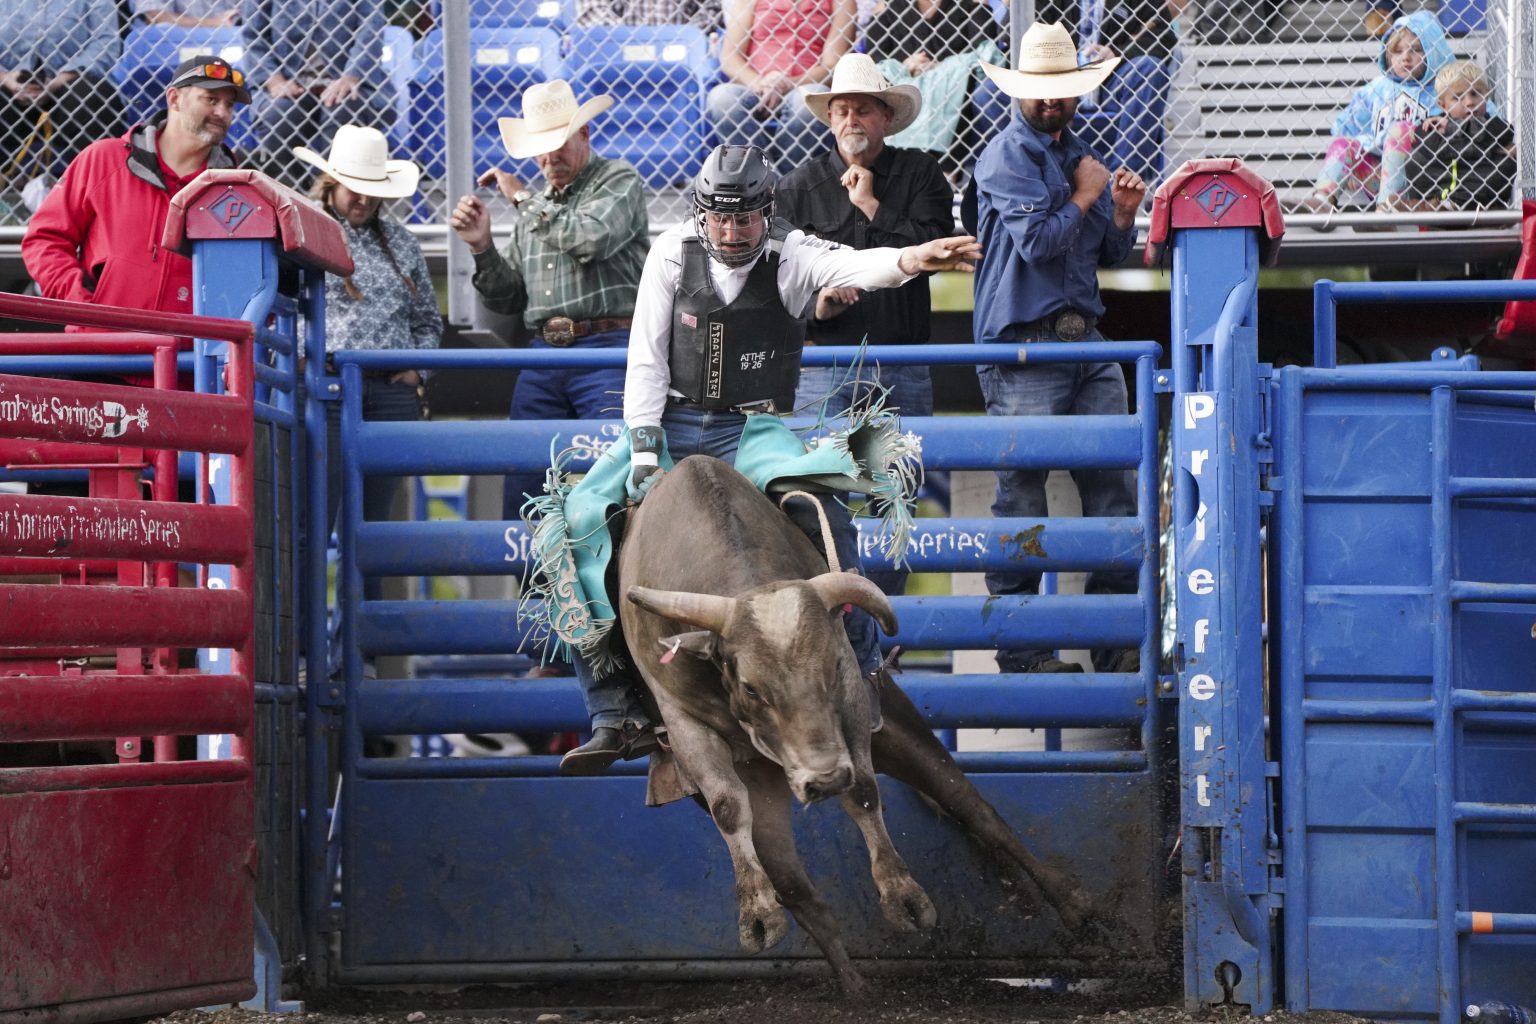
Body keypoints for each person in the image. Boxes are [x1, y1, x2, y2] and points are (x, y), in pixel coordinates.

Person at [551, 143, 979, 774]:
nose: (731, 231)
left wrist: (912, 258)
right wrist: (643, 448)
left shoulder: (793, 252)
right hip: (668, 420)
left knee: (824, 511)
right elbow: (645, 357)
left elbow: (857, 264)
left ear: (765, 212)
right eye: (720, 218)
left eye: (744, 218)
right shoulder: (669, 252)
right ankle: (611, 710)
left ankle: (860, 669)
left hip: (750, 426)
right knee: (576, 522)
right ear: (702, 213)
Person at [969, 22, 1147, 675]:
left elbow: (1108, 252)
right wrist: (1090, 193)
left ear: (1076, 92)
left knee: (1114, 489)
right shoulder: (1005, 156)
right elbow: (1041, 243)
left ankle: (1115, 645)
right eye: (1041, 90)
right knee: (1021, 492)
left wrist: (1120, 212)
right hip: (1024, 344)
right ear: (1021, 91)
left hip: (1083, 340)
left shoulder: (1079, 156)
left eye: (1062, 90)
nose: (1051, 101)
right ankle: (1023, 651)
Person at [777, 53, 953, 596]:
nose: (850, 119)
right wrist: (819, 305)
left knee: (893, 502)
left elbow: (936, 255)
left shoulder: (922, 173)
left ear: (886, 117)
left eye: (863, 109)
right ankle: (826, 618)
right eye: (841, 110)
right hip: (824, 366)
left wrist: (872, 205)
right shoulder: (797, 187)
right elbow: (778, 286)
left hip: (900, 363)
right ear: (829, 118)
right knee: (813, 499)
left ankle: (881, 626)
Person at [448, 78, 650, 522]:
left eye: (557, 144)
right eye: (540, 149)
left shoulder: (618, 179)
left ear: (584, 135)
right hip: (545, 353)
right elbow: (509, 298)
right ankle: (527, 563)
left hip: (607, 348)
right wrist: (482, 247)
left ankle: (617, 564)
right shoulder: (534, 211)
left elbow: (590, 238)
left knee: (613, 473)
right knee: (525, 475)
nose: (549, 158)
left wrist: (521, 197)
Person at [295, 124, 442, 579]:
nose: (363, 200)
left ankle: (365, 623)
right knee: (313, 517)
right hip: (328, 387)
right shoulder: (302, 231)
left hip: (391, 392)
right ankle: (305, 621)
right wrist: (302, 359)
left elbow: (427, 320)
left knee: (375, 530)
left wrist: (418, 370)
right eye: (354, 189)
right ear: (332, 183)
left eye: (372, 191)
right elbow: (283, 304)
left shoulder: (401, 241)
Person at [23, 54, 247, 339]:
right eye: (211, 100)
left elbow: (248, 275)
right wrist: (80, 304)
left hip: (190, 358)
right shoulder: (103, 158)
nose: (223, 113)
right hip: (99, 349)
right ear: (174, 99)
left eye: (229, 104)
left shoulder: (235, 187)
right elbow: (44, 240)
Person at [1304, 10, 1454, 214]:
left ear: (1433, 50)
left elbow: (1478, 115)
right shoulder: (1377, 89)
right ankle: (1323, 200)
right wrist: (1350, 167)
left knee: (1400, 130)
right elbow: (1348, 126)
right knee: (1342, 144)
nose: (1406, 58)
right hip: (1379, 177)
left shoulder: (1443, 89)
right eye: (1397, 51)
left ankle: (1388, 209)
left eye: (1416, 50)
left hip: (1425, 180)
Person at [1032, 0, 1186, 189]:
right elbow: (1019, 36)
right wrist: (1063, 61)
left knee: (1150, 69)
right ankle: (1041, 179)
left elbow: (1164, 36)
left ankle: (1120, 182)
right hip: (1060, 82)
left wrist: (1117, 54)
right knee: (1002, 90)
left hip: (1112, 80)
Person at [242, 0, 395, 182]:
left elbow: (371, 30)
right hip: (289, 80)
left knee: (344, 115)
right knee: (276, 116)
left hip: (346, 79)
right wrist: (274, 79)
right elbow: (252, 35)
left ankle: (333, 190)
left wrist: (352, 75)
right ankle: (291, 190)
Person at [707, 0, 857, 172]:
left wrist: (786, 84)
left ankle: (786, 180)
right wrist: (761, 84)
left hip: (806, 85)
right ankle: (765, 177)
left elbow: (832, 66)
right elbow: (730, 57)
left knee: (811, 100)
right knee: (722, 98)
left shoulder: (841, 2)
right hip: (755, 86)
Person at [0, 0, 124, 174]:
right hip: (9, 82)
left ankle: (90, 184)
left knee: (96, 97)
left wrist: (60, 80)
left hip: (69, 81)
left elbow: (106, 42)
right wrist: (5, 78)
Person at [1401, 60, 1516, 214]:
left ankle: (1455, 205)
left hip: (1477, 185)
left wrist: (1451, 129)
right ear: (1443, 105)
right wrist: (1483, 147)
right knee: (1414, 159)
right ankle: (1431, 204)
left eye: (1475, 94)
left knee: (1507, 163)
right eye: (1458, 97)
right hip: (1441, 183)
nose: (1469, 102)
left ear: (1486, 96)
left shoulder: (1496, 126)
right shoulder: (1433, 124)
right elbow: (1429, 146)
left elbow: (1503, 132)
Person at [575, 0, 723, 33]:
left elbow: (711, 9)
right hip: (618, 51)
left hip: (680, 51)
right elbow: (592, 13)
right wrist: (633, 39)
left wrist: (683, 35)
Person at [132, 0, 240, 28]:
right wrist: (214, 23)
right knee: (163, 27)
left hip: (229, 44)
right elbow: (155, 16)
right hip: (176, 44)